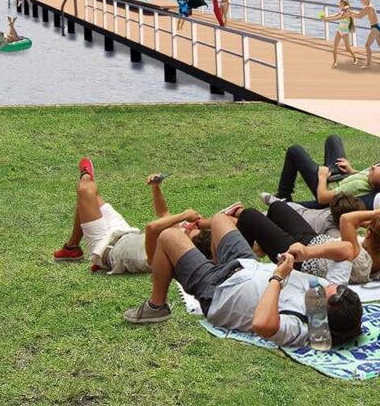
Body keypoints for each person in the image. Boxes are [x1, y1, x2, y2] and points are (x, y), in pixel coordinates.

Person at [123, 210, 364, 350]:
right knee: (220, 220)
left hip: (219, 290)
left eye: (323, 293)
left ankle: (156, 306)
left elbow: (262, 324)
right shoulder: (334, 294)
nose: (322, 286)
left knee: (168, 236)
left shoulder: (302, 327)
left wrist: (278, 278)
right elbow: (347, 251)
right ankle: (199, 251)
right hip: (246, 264)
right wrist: (308, 252)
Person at [53, 160, 206, 274]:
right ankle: (72, 248)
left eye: (190, 230)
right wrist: (156, 187)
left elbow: (152, 227)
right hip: (124, 231)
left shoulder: (164, 258)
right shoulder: (178, 237)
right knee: (89, 197)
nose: (188, 226)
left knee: (86, 190)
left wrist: (185, 215)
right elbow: (163, 215)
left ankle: (85, 174)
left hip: (105, 247)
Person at [234, 198, 363, 284]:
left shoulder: (364, 258)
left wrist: (373, 214)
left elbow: (346, 220)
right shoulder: (366, 245)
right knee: (277, 207)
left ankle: (233, 271)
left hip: (303, 260)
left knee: (248, 216)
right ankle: (261, 248)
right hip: (314, 241)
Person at [267, 134, 379, 208]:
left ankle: (283, 195)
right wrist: (351, 170)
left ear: (374, 186)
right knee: (333, 139)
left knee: (295, 151)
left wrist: (322, 177)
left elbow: (322, 198)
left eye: (374, 170)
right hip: (341, 176)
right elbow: (364, 176)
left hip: (326, 186)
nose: (372, 167)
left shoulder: (354, 188)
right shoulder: (371, 177)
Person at [322, 0, 360, 68]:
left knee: (347, 49)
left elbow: (338, 18)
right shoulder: (341, 11)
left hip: (345, 32)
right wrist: (325, 17)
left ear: (345, 5)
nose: (340, 6)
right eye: (340, 5)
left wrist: (327, 20)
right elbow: (335, 15)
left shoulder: (348, 13)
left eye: (341, 5)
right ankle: (335, 62)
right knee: (335, 47)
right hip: (339, 31)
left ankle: (355, 58)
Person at [359, 0, 378, 68]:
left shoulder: (369, 7)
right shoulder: (368, 6)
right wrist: (350, 13)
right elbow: (359, 14)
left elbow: (359, 16)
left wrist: (349, 14)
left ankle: (368, 64)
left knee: (367, 45)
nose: (361, 1)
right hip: (376, 27)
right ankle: (368, 64)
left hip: (375, 28)